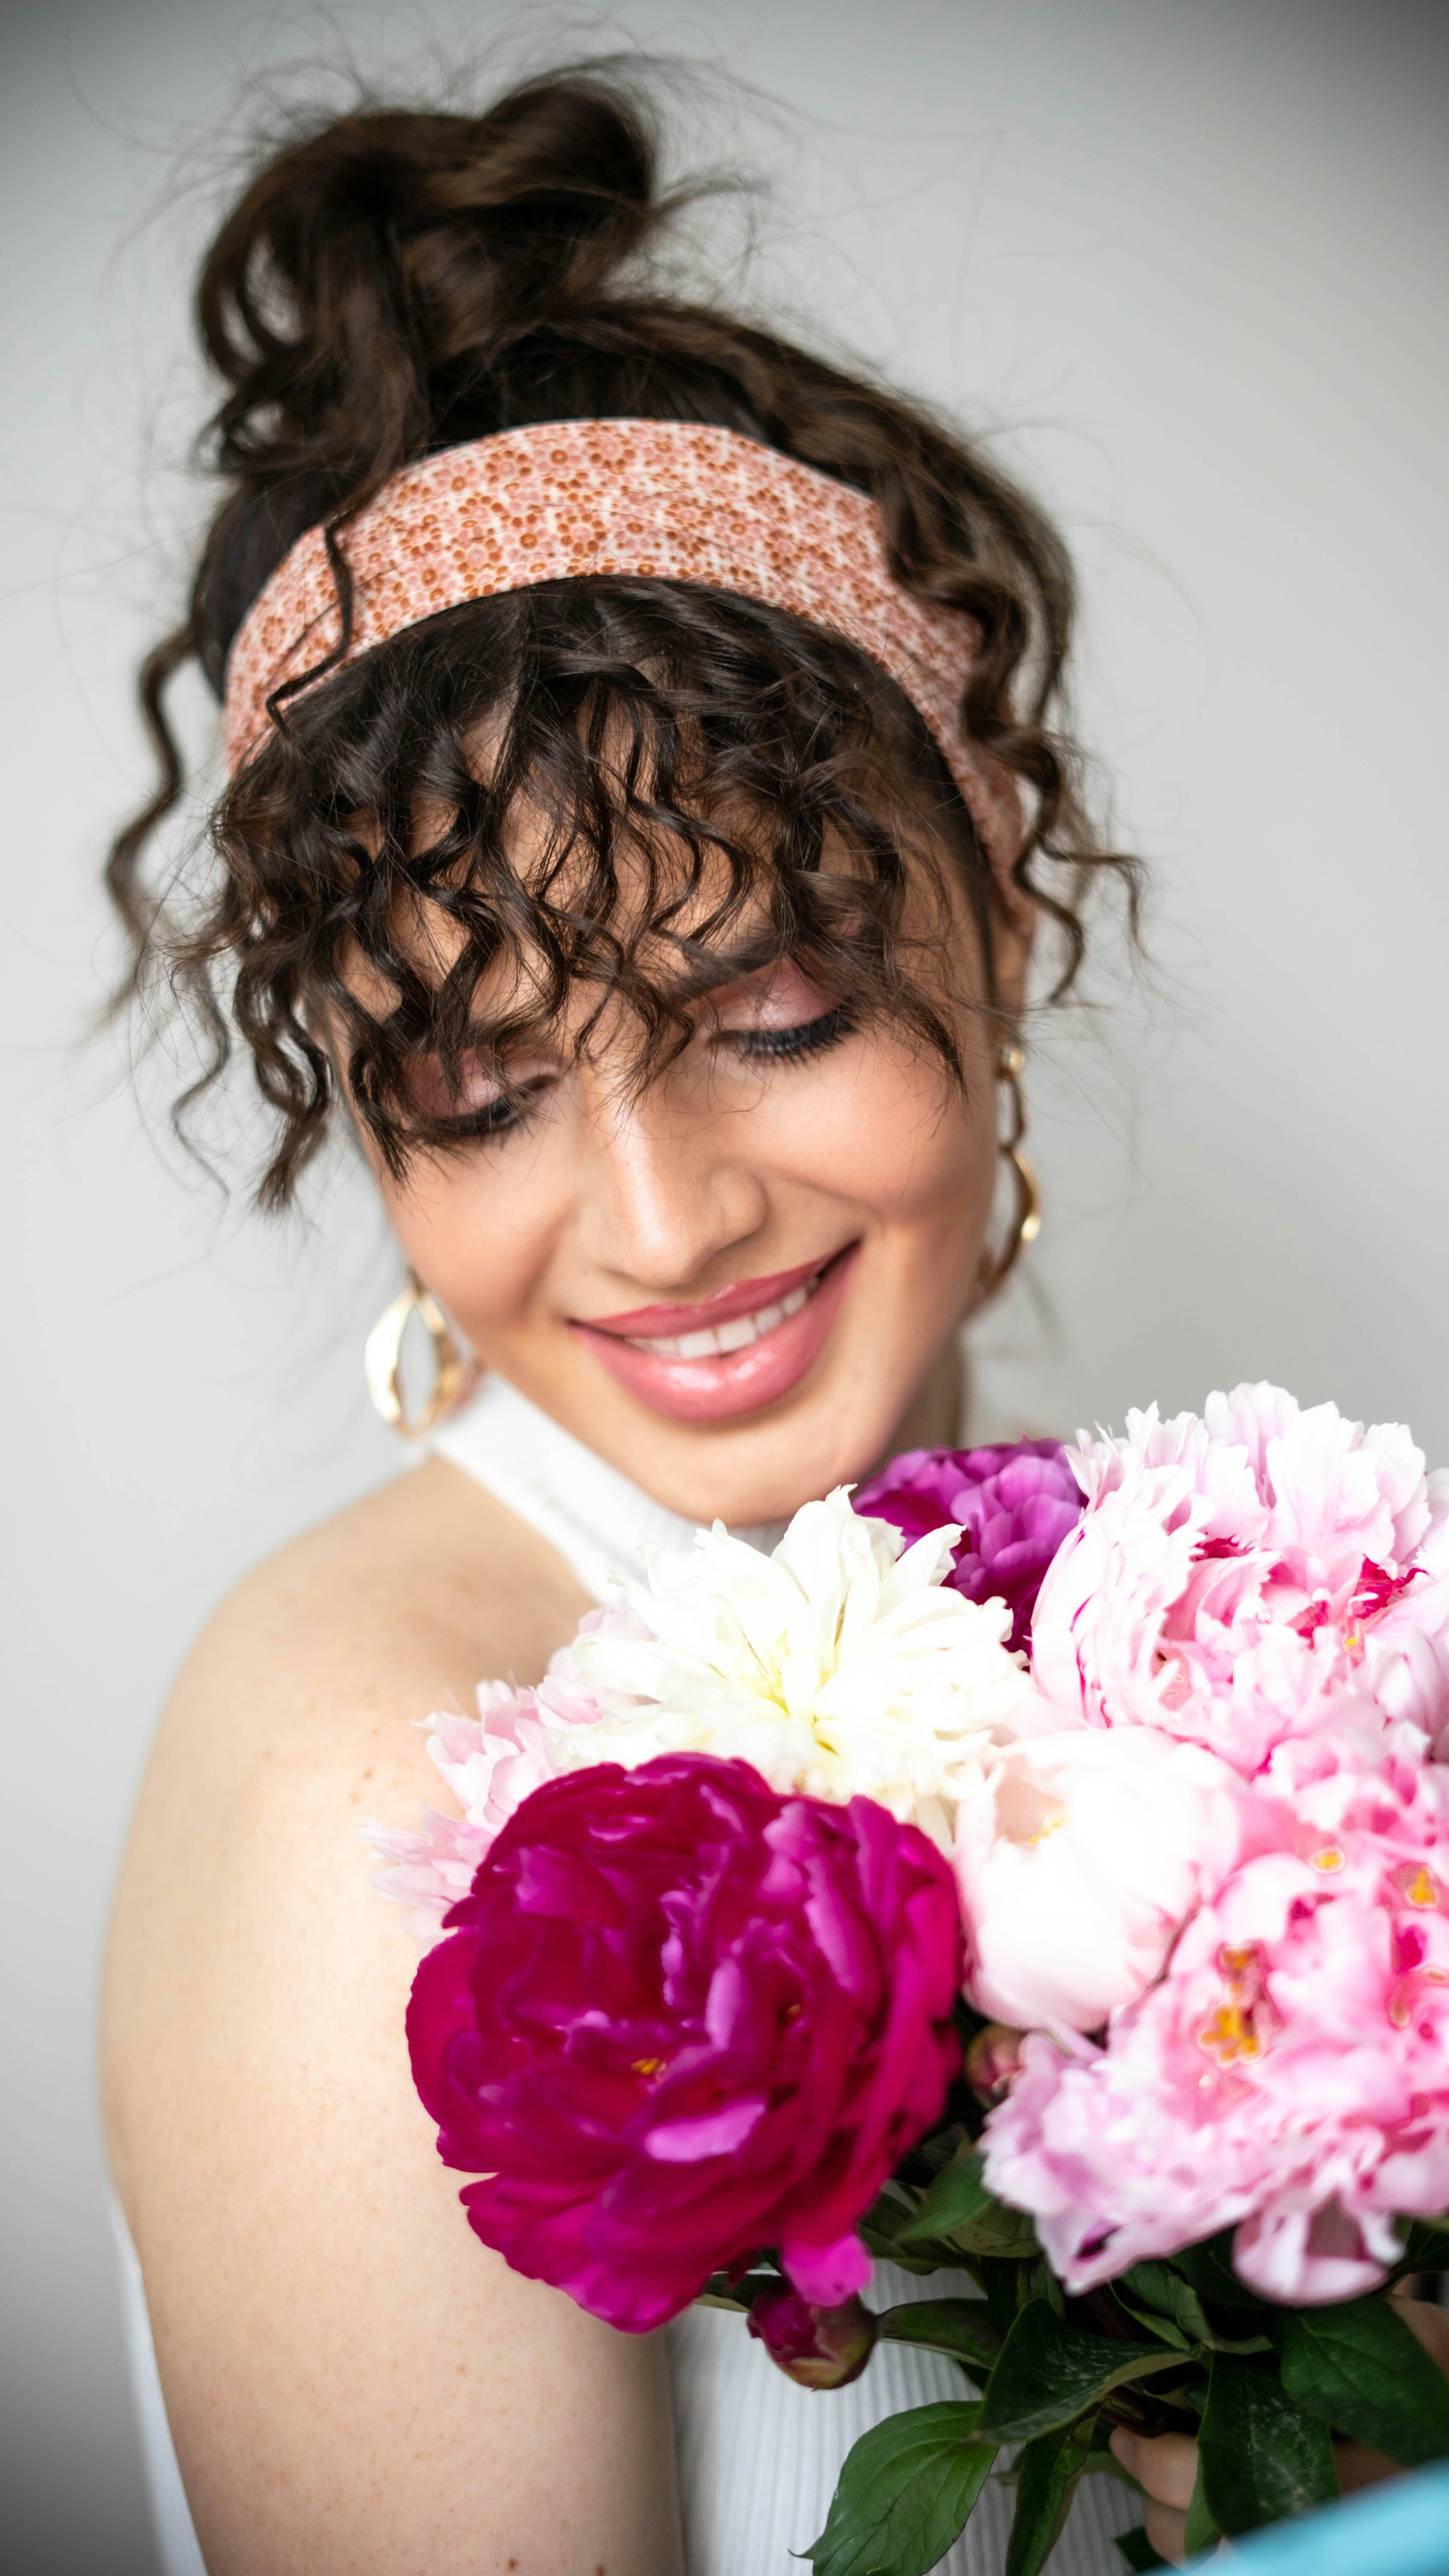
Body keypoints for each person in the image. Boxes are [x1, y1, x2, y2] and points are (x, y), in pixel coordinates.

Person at [97, 62, 1446, 2576]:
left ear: (999, 914)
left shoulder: (1150, 1646)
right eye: (480, 1083)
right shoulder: (358, 1797)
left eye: (780, 1007)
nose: (660, 1219)